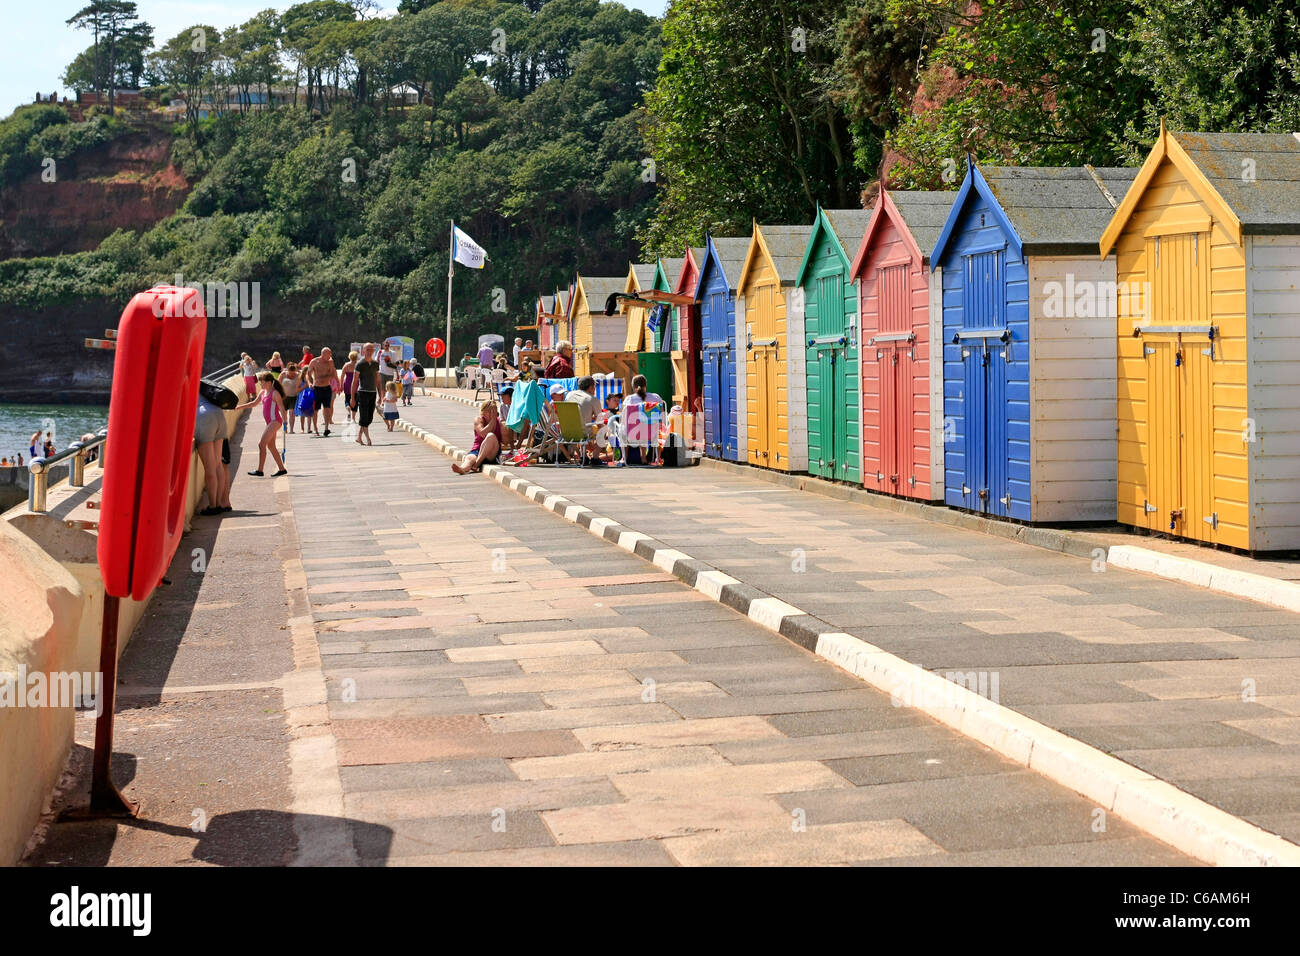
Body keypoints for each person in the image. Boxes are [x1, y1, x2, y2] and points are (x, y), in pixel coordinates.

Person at [236, 371, 288, 476]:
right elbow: (254, 403)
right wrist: (239, 407)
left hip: (275, 422)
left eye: (262, 382)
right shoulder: (263, 392)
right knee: (271, 446)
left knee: (261, 444)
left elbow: (282, 408)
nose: (261, 384)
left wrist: (286, 421)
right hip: (270, 423)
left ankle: (260, 470)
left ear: (269, 382)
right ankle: (282, 469)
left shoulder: (275, 393)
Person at [194, 395, 232, 516]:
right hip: (219, 414)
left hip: (203, 417)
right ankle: (219, 504)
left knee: (210, 468)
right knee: (218, 465)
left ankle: (213, 506)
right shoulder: (202, 384)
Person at [452, 400, 504, 474]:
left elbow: (505, 440)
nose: (491, 414)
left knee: (491, 436)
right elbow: (482, 433)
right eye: (489, 411)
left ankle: (477, 464)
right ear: (483, 412)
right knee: (470, 458)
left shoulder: (499, 421)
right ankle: (462, 469)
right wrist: (493, 420)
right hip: (477, 450)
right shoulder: (478, 420)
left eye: (493, 412)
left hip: (491, 452)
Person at [351, 342, 380, 446]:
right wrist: (352, 398)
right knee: (363, 416)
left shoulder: (376, 364)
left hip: (372, 393)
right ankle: (368, 439)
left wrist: (380, 394)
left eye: (371, 350)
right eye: (367, 350)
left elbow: (378, 380)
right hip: (362, 392)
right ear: (363, 351)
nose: (369, 352)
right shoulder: (359, 364)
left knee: (369, 418)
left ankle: (359, 437)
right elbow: (354, 382)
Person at [309, 347, 338, 436]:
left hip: (327, 387)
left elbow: (333, 373)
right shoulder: (314, 361)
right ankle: (315, 428)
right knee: (315, 409)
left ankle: (326, 428)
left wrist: (338, 382)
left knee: (327, 408)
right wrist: (310, 383)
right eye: (328, 354)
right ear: (323, 354)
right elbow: (308, 374)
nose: (330, 356)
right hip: (317, 388)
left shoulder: (330, 362)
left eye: (330, 354)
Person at [295, 363, 318, 435]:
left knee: (310, 412)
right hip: (302, 396)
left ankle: (309, 428)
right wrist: (304, 386)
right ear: (304, 371)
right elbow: (297, 390)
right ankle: (302, 428)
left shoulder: (312, 378)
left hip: (310, 396)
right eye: (307, 371)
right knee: (302, 413)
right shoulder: (300, 379)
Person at [281, 362, 303, 433]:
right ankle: (285, 428)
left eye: (293, 373)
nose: (292, 375)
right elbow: (277, 384)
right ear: (288, 371)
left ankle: (291, 430)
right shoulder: (283, 374)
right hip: (284, 397)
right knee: (284, 414)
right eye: (290, 373)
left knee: (291, 413)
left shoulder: (298, 375)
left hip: (294, 397)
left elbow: (304, 382)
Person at [340, 351, 358, 422]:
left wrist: (341, 385)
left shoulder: (346, 365)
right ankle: (353, 418)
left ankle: (348, 410)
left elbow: (342, 376)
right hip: (356, 383)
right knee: (355, 400)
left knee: (347, 398)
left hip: (347, 383)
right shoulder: (357, 365)